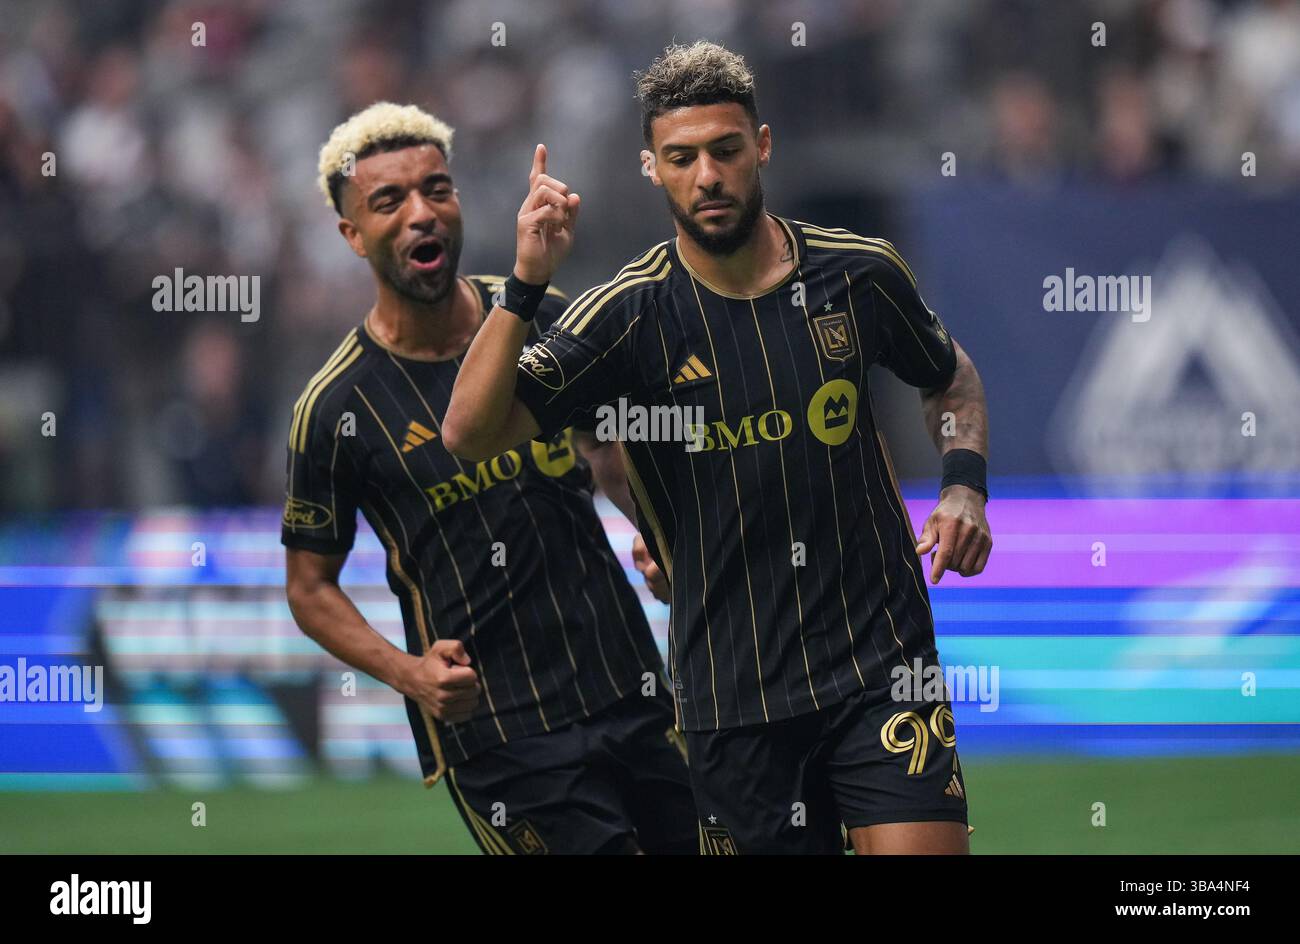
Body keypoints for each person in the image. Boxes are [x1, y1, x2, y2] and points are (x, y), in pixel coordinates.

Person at [444, 43, 993, 855]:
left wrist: (962, 488)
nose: (708, 175)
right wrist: (524, 285)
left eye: (726, 151)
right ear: (650, 166)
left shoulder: (858, 273)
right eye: (682, 157)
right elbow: (469, 432)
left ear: (761, 146)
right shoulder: (623, 318)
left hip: (879, 665)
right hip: (728, 697)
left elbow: (951, 379)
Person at [282, 102, 694, 855]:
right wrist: (409, 673)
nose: (420, 214)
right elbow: (310, 588)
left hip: (631, 687)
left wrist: (659, 535)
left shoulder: (542, 318)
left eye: (436, 189)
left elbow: (610, 455)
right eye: (388, 201)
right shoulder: (335, 408)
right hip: (501, 736)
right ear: (351, 234)